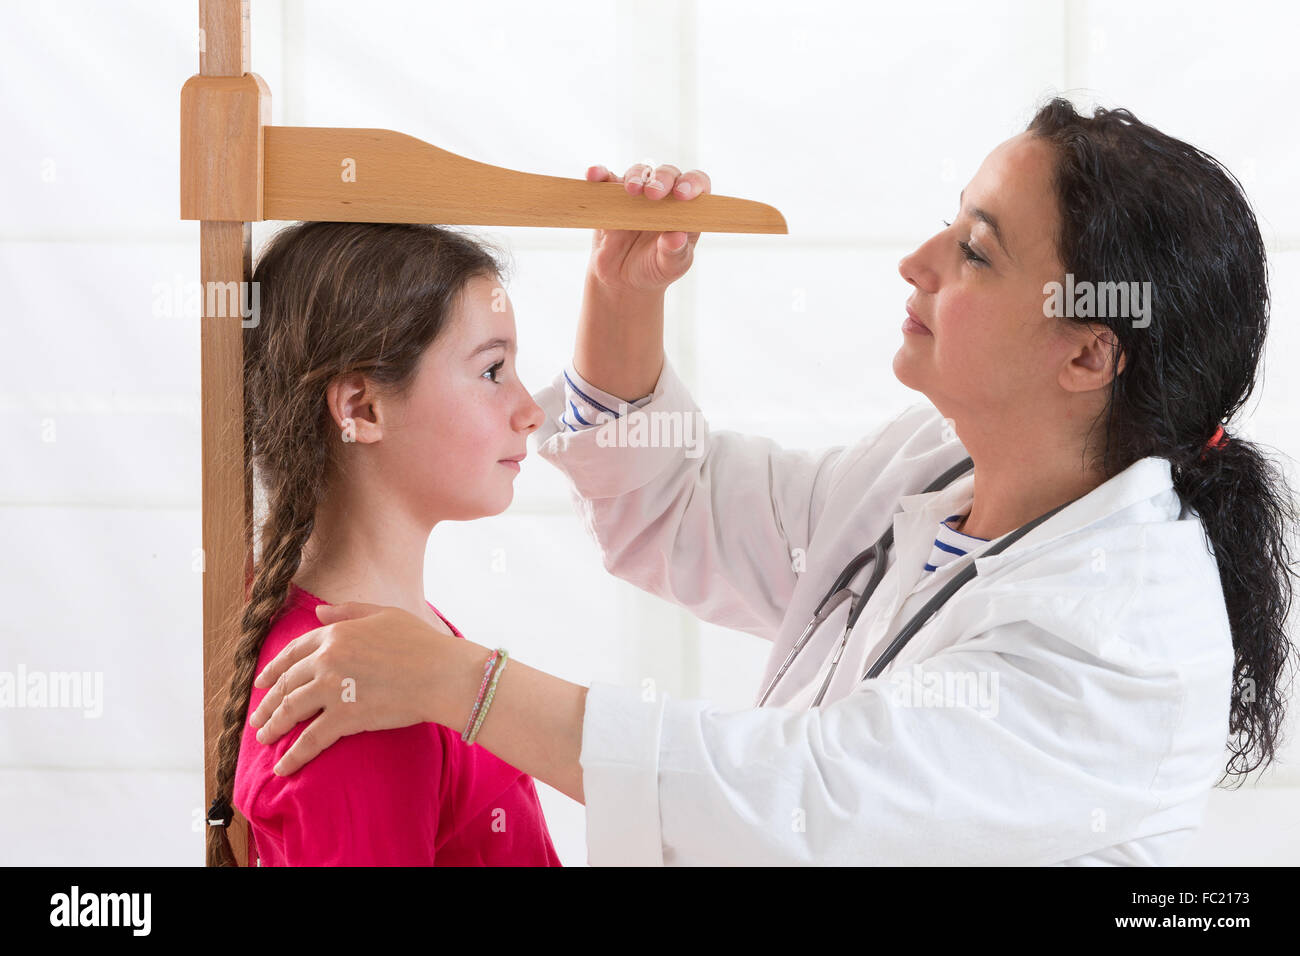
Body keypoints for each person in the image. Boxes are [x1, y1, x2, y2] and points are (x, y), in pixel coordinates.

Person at [246, 97, 1297, 865]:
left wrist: (464, 684)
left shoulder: (1126, 636)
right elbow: (680, 508)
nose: (916, 261)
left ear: (1085, 354)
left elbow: (800, 801)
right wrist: (623, 292)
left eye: (975, 252)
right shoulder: (931, 471)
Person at [205, 221, 561, 866]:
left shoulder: (387, 649)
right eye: (492, 370)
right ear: (362, 409)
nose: (529, 408)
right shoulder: (353, 703)